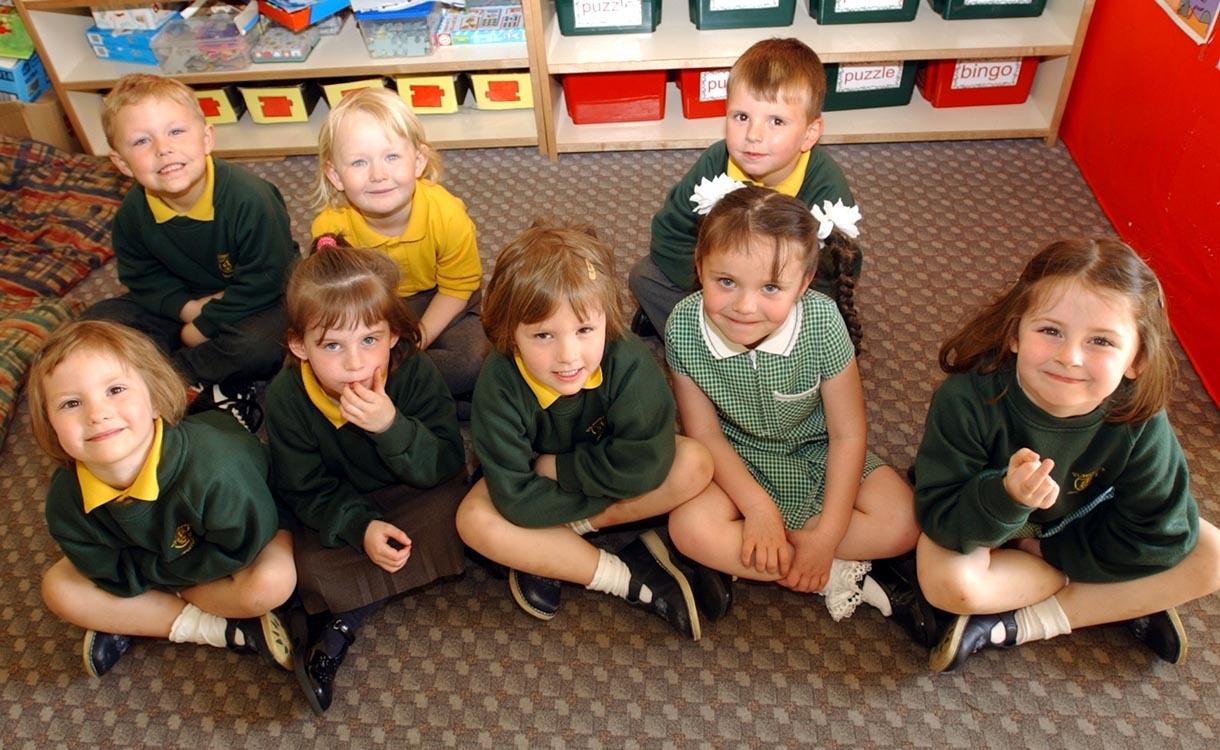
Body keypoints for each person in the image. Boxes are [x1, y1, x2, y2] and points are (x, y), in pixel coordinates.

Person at [914, 238, 1220, 673]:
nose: (1070, 357)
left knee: (1212, 557)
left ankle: (1017, 623)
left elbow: (1163, 533)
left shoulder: (1139, 418)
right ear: (1015, 333)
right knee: (949, 583)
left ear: (1137, 359)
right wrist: (1005, 496)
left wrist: (1051, 554)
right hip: (989, 530)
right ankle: (1118, 599)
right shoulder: (966, 399)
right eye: (1051, 331)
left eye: (1100, 341)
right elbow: (940, 515)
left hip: (1077, 535)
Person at [665, 186, 925, 637]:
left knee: (905, 520)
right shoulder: (682, 328)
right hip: (735, 463)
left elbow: (848, 434)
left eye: (770, 287)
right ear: (699, 268)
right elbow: (704, 434)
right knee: (689, 527)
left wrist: (827, 535)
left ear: (803, 285)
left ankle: (777, 559)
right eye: (725, 282)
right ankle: (837, 571)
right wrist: (759, 509)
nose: (745, 306)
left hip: (819, 450)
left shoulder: (823, 322)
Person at [456, 221, 727, 641]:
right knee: (474, 521)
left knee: (694, 463)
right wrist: (542, 494)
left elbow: (646, 464)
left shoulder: (629, 361)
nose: (569, 356)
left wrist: (558, 469)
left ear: (607, 320)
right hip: (569, 483)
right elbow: (512, 495)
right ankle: (625, 577)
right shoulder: (499, 383)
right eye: (544, 335)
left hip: (570, 477)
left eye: (585, 330)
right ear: (510, 335)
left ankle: (554, 547)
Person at [265, 234, 469, 714]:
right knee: (301, 562)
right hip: (339, 509)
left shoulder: (412, 372)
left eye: (369, 340)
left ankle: (344, 615)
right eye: (332, 345)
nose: (355, 363)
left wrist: (391, 427)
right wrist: (360, 526)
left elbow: (445, 461)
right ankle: (344, 615)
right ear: (299, 345)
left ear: (393, 336)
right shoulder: (286, 398)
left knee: (467, 514)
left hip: (411, 491)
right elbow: (305, 489)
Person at [31, 321, 297, 679]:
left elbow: (241, 546)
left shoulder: (215, 471)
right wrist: (176, 582)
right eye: (71, 403)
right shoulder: (65, 499)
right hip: (173, 564)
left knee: (271, 583)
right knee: (57, 589)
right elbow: (99, 563)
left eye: (116, 389)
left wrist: (172, 583)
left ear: (155, 398)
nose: (96, 414)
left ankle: (141, 617)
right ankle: (225, 631)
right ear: (50, 425)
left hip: (245, 535)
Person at [84, 74, 298, 432]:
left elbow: (267, 279)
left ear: (207, 138)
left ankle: (176, 375)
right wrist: (187, 309)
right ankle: (192, 376)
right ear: (121, 163)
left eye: (176, 132)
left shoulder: (251, 198)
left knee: (264, 343)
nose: (163, 148)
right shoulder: (132, 215)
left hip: (260, 300)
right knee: (97, 325)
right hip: (186, 301)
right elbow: (142, 278)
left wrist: (200, 327)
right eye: (141, 141)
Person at [630, 37, 858, 336]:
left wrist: (772, 304)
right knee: (644, 277)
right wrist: (716, 287)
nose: (753, 134)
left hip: (780, 300)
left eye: (776, 121)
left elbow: (837, 270)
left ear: (810, 133)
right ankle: (704, 338)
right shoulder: (715, 162)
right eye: (741, 117)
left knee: (823, 320)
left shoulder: (825, 190)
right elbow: (670, 234)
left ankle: (712, 338)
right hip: (721, 285)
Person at [311, 87, 489, 402]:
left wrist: (415, 341)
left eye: (391, 156)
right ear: (335, 175)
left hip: (441, 297)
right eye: (358, 163)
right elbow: (337, 301)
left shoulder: (447, 216)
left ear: (418, 160)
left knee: (471, 361)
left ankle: (395, 389)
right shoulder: (330, 227)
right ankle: (414, 392)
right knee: (320, 359)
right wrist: (373, 343)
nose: (379, 174)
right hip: (371, 306)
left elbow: (457, 288)